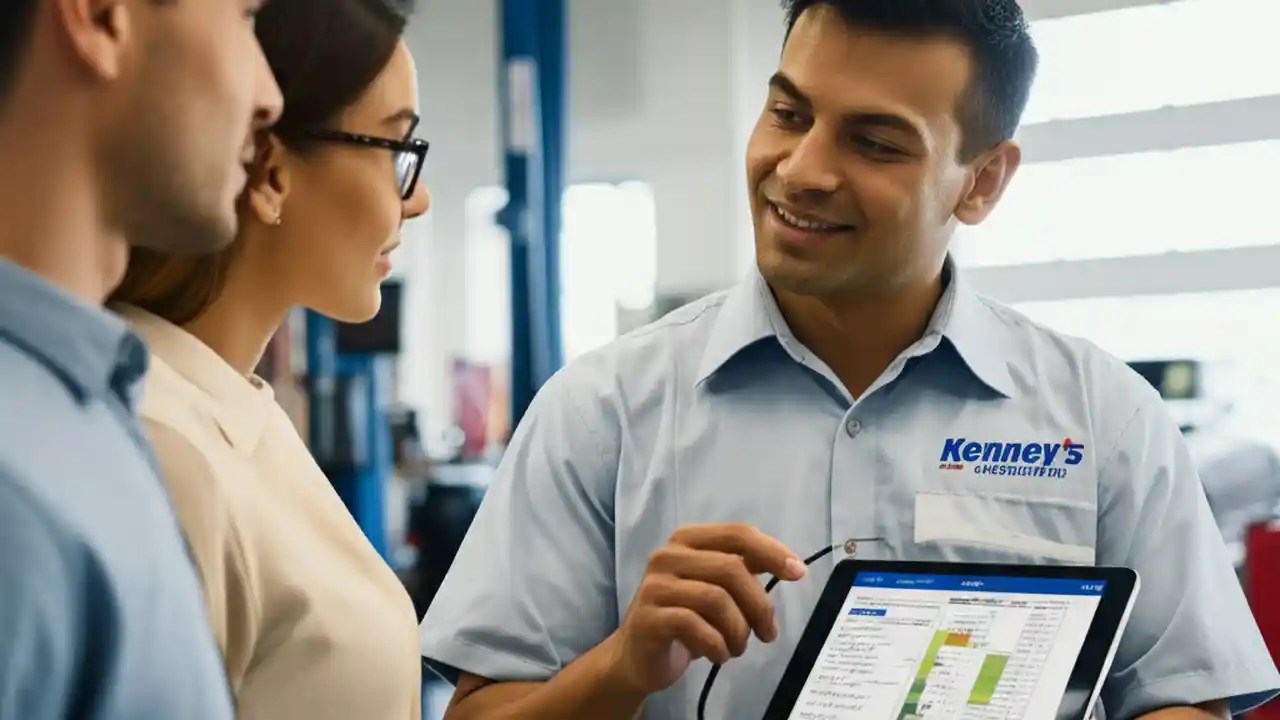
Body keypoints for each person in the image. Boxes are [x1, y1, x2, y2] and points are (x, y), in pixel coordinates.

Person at [419, 1, 1280, 719]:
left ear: (981, 181)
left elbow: (1181, 697)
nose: (801, 170)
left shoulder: (1104, 418)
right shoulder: (601, 411)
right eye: (789, 114)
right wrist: (622, 666)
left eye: (874, 143)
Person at [105, 0, 431, 717]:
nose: (419, 200)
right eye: (398, 152)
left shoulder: (236, 410)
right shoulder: (167, 445)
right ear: (271, 170)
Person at [0, 0, 281, 716]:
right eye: (245, 17)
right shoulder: (17, 499)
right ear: (99, 15)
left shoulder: (83, 406)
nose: (269, 97)